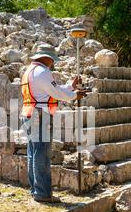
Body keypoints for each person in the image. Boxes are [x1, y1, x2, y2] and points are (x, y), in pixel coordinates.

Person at [21, 45, 87, 203]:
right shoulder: (43, 72)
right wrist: (74, 95)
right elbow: (56, 93)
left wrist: (70, 87)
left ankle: (36, 190)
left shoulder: (30, 71)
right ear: (47, 58)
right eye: (52, 60)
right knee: (42, 154)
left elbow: (52, 90)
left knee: (33, 153)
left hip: (29, 113)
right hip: (39, 115)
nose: (52, 63)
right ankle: (43, 193)